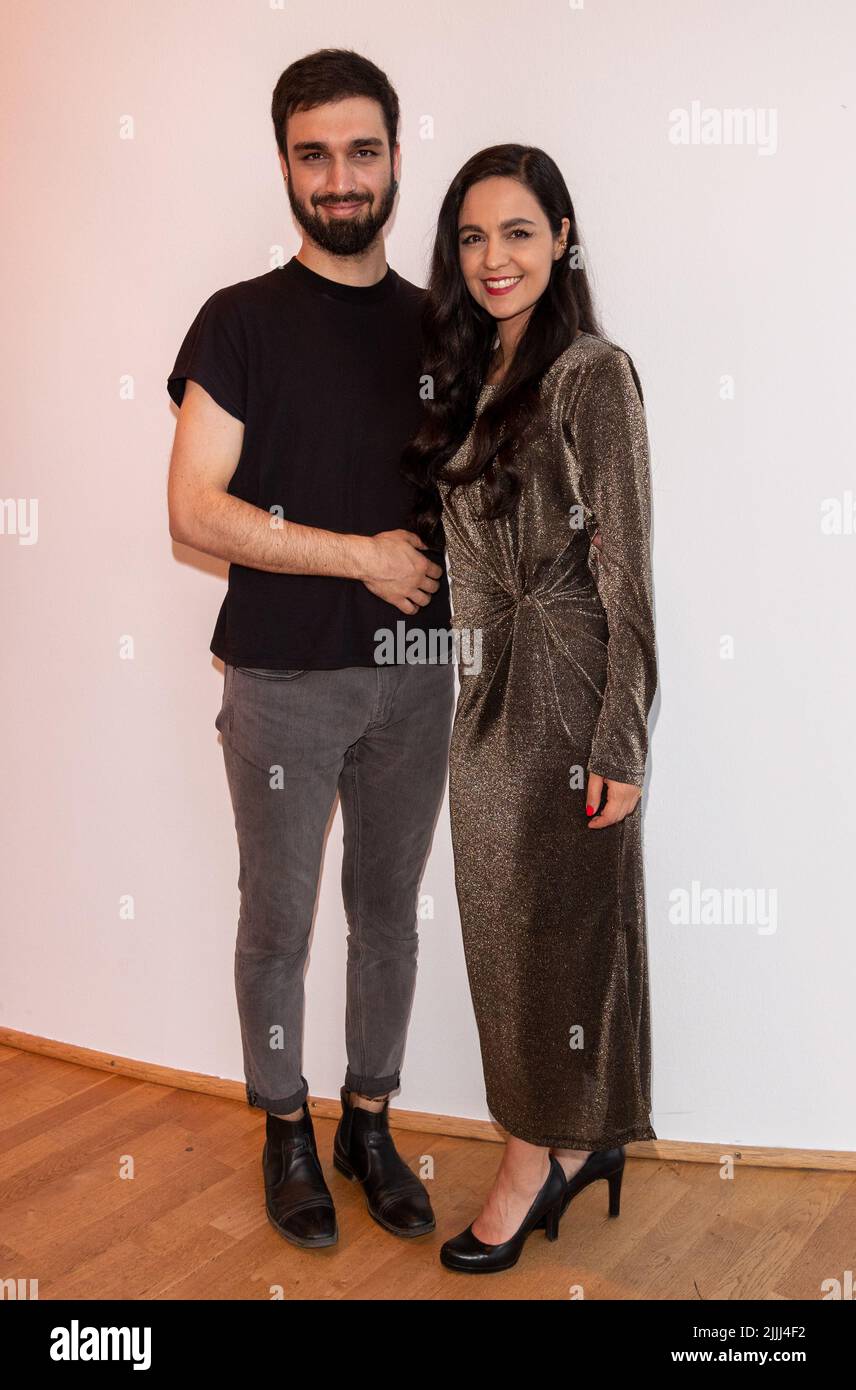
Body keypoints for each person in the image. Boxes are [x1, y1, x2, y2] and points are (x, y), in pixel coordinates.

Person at [165, 49, 455, 1249]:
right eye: (314, 154)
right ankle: (286, 1125)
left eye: (362, 151)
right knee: (275, 921)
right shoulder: (238, 321)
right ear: (285, 163)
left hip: (419, 679)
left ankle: (367, 1121)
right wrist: (363, 557)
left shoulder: (447, 324)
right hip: (281, 678)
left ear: (395, 154)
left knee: (387, 915)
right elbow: (194, 511)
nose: (340, 178)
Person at [402, 144, 658, 1273]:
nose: (494, 257)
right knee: (504, 946)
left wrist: (621, 739)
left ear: (560, 237)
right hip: (482, 700)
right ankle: (570, 1142)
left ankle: (534, 1157)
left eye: (517, 231)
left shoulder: (591, 374)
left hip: (566, 701)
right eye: (471, 236)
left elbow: (629, 573)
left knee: (554, 944)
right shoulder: (468, 375)